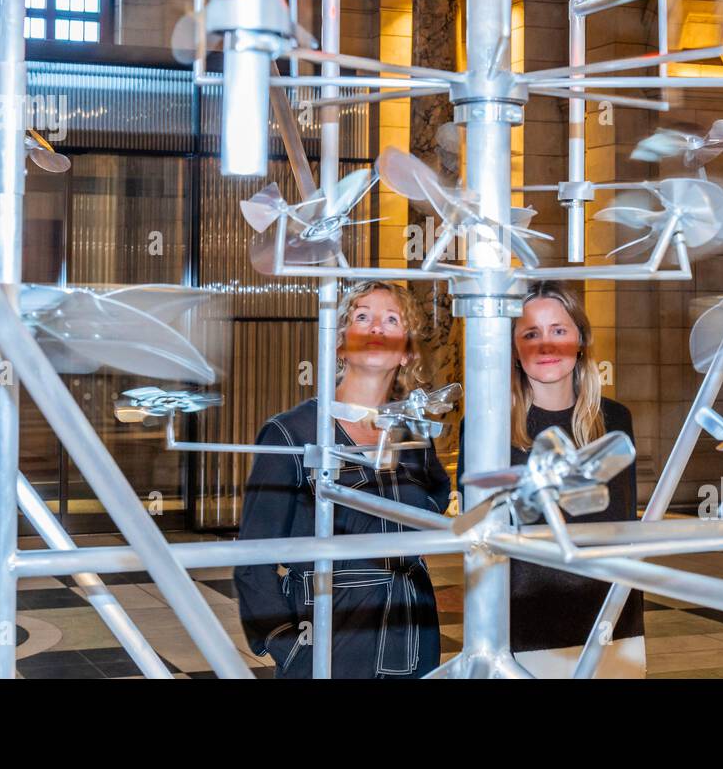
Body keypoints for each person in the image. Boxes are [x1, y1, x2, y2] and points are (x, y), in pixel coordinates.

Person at [234, 280, 452, 678]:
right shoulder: (292, 432)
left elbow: (435, 500)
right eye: (362, 317)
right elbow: (252, 557)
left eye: (392, 320)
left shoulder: (414, 433)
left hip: (411, 628)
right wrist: (285, 641)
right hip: (326, 628)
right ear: (339, 344)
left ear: (406, 352)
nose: (376, 329)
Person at [458, 280, 646, 678]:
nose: (546, 345)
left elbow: (623, 524)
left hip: (610, 621)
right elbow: (475, 531)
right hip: (523, 627)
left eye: (558, 330)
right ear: (514, 350)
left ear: (580, 339)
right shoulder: (486, 427)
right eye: (531, 333)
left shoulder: (615, 420)